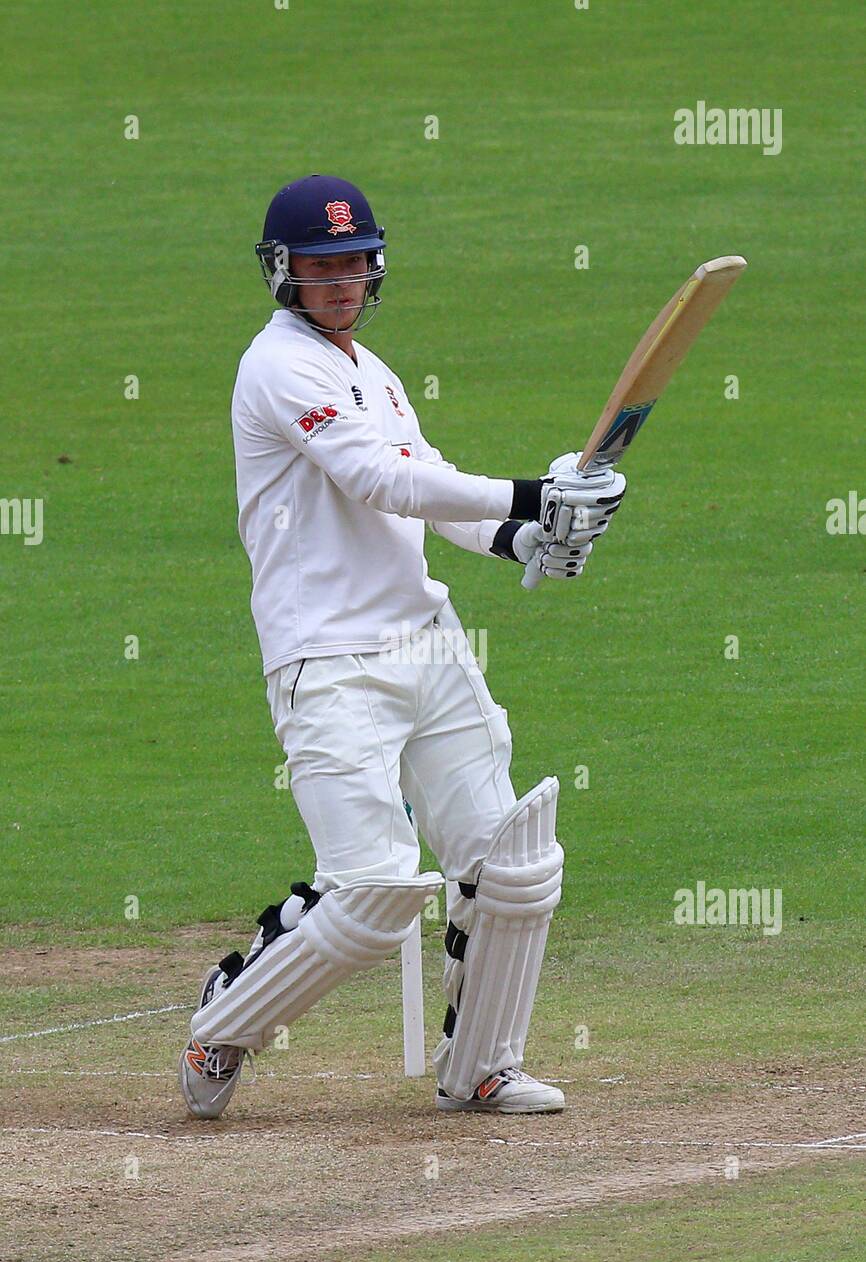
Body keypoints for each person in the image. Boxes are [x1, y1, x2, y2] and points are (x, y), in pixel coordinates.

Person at [179, 174, 626, 1120]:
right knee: (375, 891)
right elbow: (382, 482)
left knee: (512, 864)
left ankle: (483, 1068)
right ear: (283, 273)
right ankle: (224, 1024)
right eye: (320, 266)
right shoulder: (277, 368)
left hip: (427, 645)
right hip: (327, 659)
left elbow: (426, 483)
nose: (340, 282)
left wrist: (521, 540)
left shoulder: (369, 371)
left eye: (354, 264)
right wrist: (532, 497)